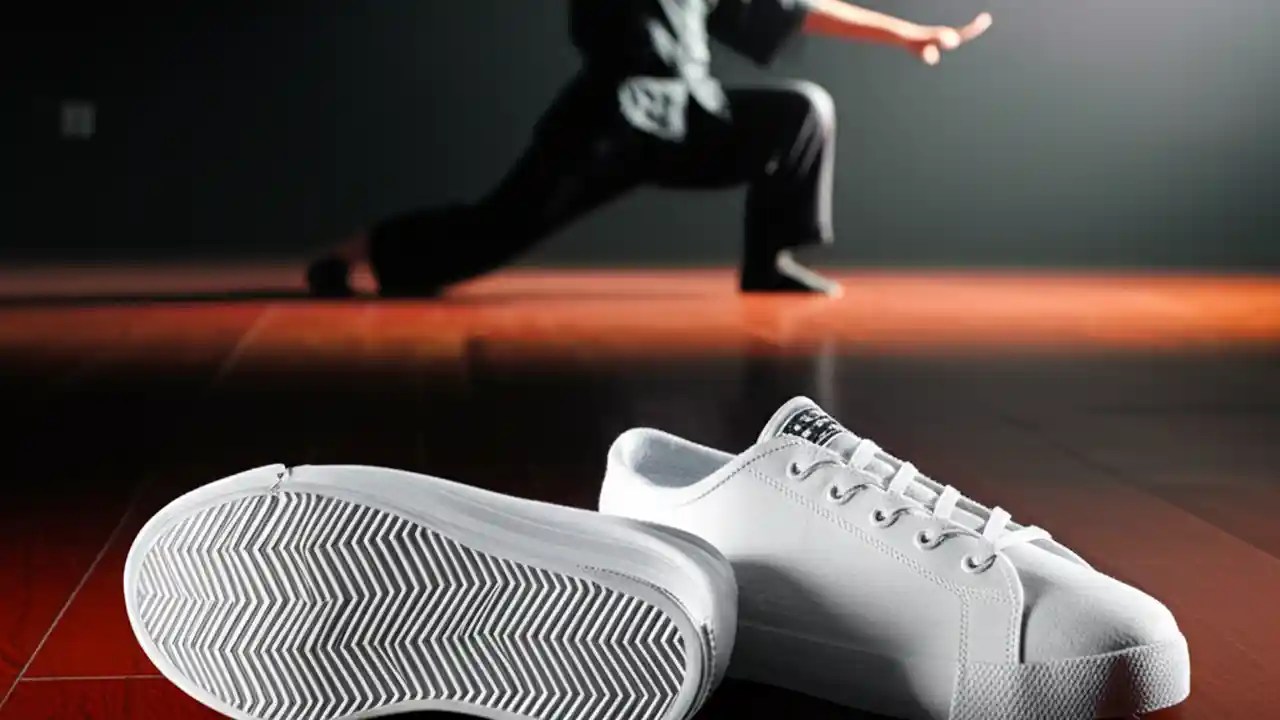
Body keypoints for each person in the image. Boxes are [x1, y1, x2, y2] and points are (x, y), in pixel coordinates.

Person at [308, 0, 993, 298]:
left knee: (802, 109)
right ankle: (355, 252)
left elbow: (795, 9)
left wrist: (907, 35)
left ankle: (769, 260)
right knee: (493, 228)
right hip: (609, 114)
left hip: (695, 111)